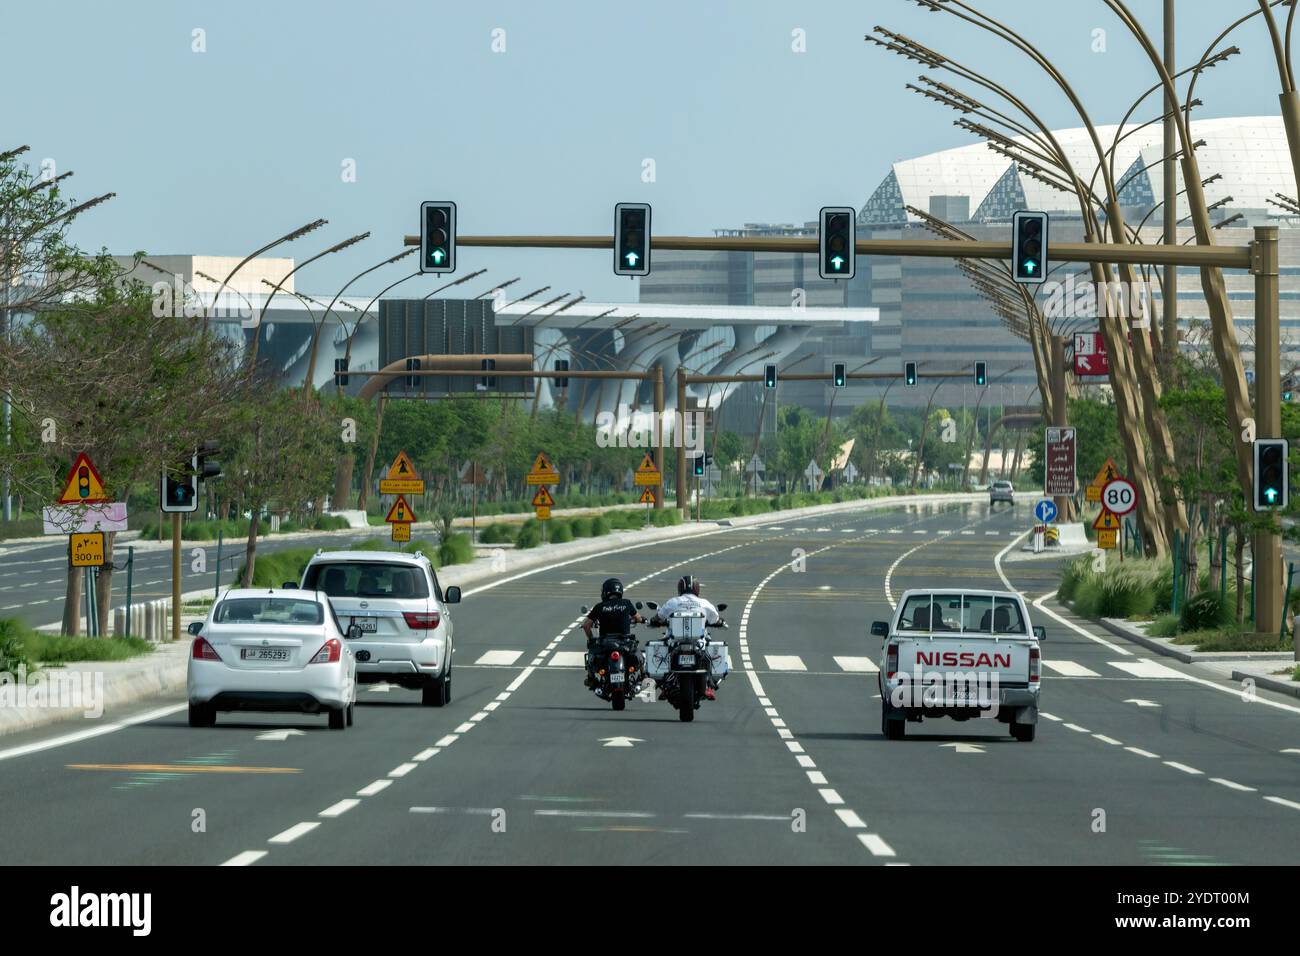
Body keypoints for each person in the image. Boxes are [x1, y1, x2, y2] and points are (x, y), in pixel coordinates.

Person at [650, 575, 722, 699]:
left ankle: (665, 686)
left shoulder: (673, 602)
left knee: (662, 653)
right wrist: (720, 622)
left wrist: (653, 621)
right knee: (709, 655)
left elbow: (659, 616)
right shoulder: (704, 603)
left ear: (680, 588)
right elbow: (715, 618)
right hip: (699, 642)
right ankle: (709, 686)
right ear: (696, 588)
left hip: (675, 641)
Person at [582, 578, 644, 688]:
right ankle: (644, 675)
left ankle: (590, 678)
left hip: (605, 643)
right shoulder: (626, 603)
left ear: (605, 591)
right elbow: (638, 618)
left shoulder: (599, 606)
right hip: (625, 642)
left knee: (592, 653)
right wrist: (642, 620)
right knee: (639, 654)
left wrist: (591, 639)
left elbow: (586, 625)